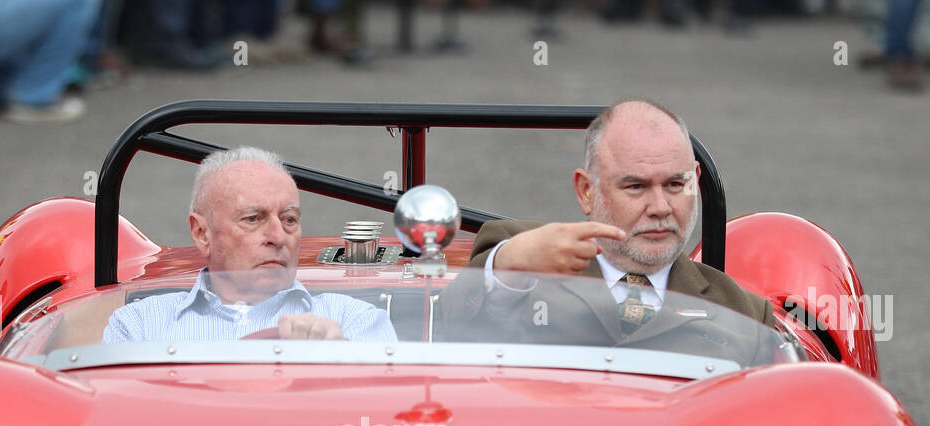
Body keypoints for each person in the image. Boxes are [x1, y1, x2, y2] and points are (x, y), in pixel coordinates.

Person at [442, 99, 781, 359]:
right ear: (586, 191)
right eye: (636, 187)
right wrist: (510, 265)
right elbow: (445, 327)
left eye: (676, 184)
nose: (661, 207)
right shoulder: (521, 256)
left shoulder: (744, 313)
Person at [104, 147, 397, 344]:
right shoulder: (139, 328)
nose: (278, 236)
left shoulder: (355, 322)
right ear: (202, 233)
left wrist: (341, 364)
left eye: (290, 219)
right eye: (253, 219)